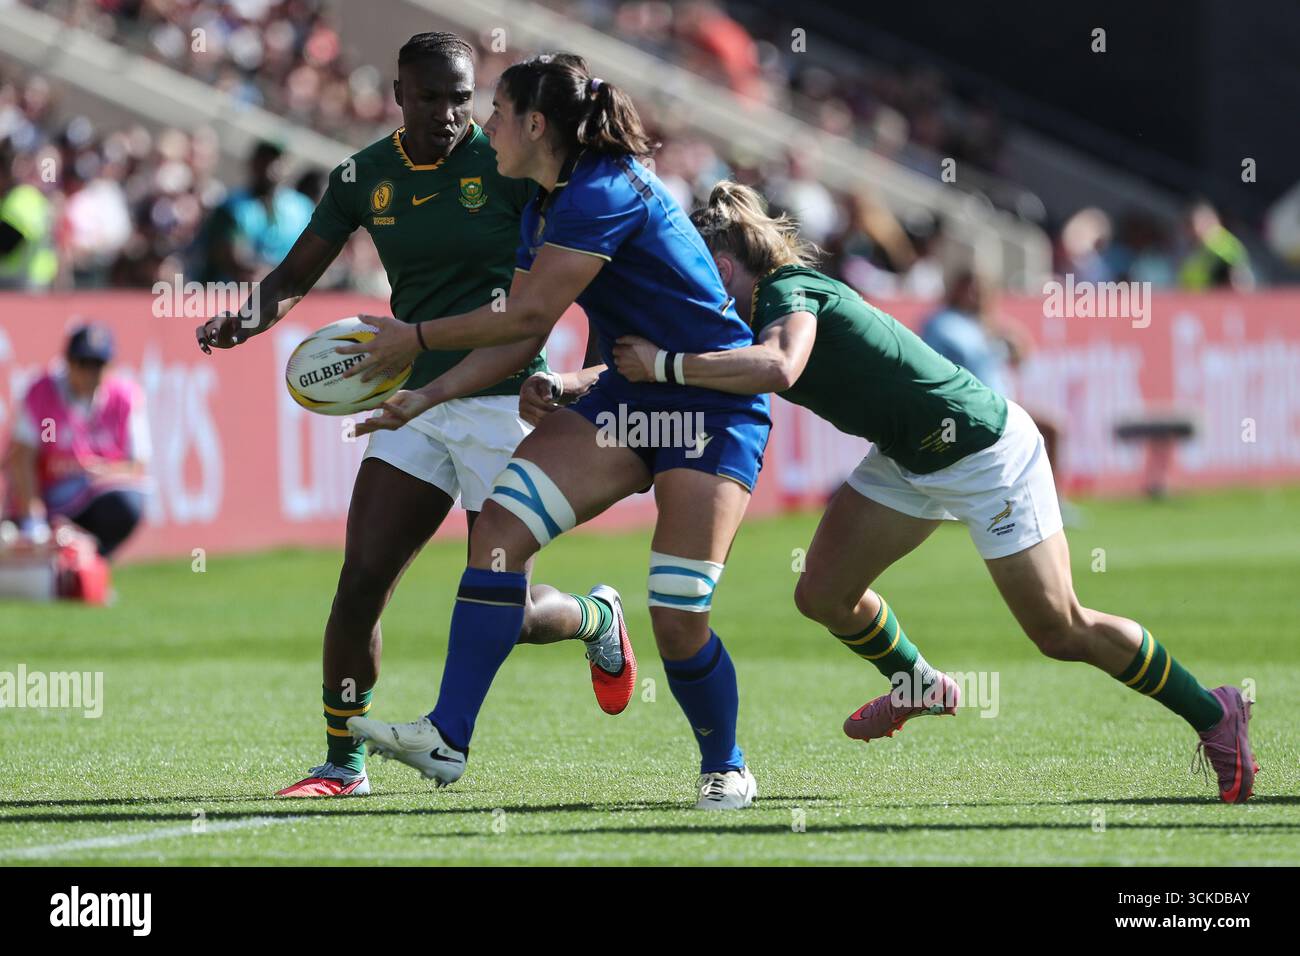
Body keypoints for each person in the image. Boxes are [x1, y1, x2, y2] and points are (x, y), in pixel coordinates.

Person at [612, 182, 1257, 805]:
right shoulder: (747, 315)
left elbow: (779, 366)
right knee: (822, 594)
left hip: (986, 453)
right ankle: (914, 682)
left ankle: (1214, 712)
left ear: (723, 264)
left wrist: (665, 365)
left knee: (1060, 629)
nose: (686, 282)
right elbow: (660, 367)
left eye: (696, 268)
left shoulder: (789, 289)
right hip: (907, 458)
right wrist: (574, 382)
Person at [196, 34, 636, 800]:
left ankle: (597, 620)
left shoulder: (507, 168)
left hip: (503, 399)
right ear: (398, 94)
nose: (448, 113)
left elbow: (545, 297)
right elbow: (297, 273)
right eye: (430, 97)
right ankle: (343, 762)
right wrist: (247, 318)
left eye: (462, 98)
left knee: (514, 607)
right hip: (413, 404)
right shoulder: (363, 175)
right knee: (360, 580)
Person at [341, 53, 770, 810]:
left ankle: (725, 764)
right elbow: (517, 330)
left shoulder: (601, 191)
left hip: (709, 407)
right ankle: (448, 736)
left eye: (498, 114)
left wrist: (415, 339)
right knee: (501, 528)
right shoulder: (547, 200)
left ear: (537, 125)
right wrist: (427, 395)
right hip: (628, 398)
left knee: (676, 614)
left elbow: (531, 317)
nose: (486, 127)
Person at [4, 323, 150, 558]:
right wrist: (33, 518)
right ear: (68, 363)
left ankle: (90, 561)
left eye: (98, 364)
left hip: (93, 501)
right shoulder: (41, 394)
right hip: (46, 499)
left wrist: (103, 472)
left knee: (128, 502)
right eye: (83, 364)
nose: (90, 373)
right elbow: (21, 459)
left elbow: (138, 465)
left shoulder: (125, 398)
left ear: (110, 366)